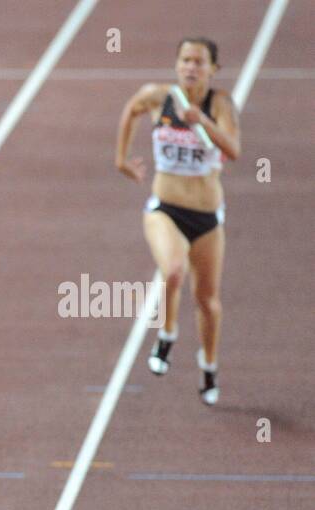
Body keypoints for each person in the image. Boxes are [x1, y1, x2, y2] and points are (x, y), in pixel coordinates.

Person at [115, 36, 240, 405]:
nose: (190, 67)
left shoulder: (220, 104)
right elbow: (132, 108)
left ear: (213, 69)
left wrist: (200, 121)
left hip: (206, 217)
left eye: (199, 62)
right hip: (165, 209)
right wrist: (121, 158)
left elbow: (233, 150)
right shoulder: (160, 97)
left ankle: (208, 365)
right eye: (185, 60)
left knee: (208, 301)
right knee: (172, 271)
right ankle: (167, 334)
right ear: (176, 64)